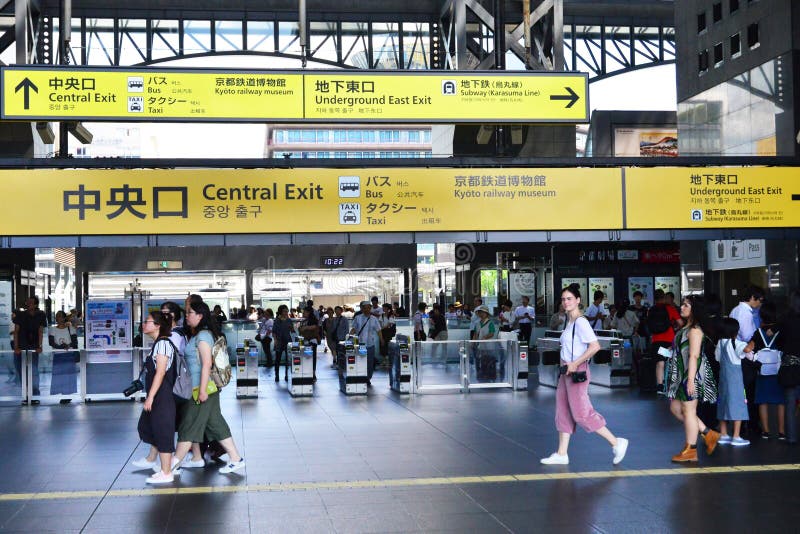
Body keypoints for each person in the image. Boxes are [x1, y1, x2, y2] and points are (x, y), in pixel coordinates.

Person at [540, 286, 629, 466]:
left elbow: (595, 346)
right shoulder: (569, 321)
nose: (566, 302)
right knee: (563, 411)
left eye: (570, 299)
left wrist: (575, 363)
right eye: (564, 299)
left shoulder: (581, 322)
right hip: (567, 372)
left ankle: (616, 442)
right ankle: (562, 453)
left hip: (576, 372)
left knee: (581, 414)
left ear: (578, 300)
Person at [173, 300, 245, 475]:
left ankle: (169, 468)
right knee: (215, 423)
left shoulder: (203, 335)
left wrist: (202, 390)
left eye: (190, 313)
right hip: (204, 389)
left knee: (188, 426)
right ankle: (235, 459)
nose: (186, 316)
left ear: (200, 316)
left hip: (201, 389)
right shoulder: (198, 334)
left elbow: (206, 364)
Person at [666, 295, 720, 462]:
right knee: (676, 409)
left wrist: (690, 380)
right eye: (682, 304)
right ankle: (708, 433)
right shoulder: (687, 328)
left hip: (690, 375)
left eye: (686, 305)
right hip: (683, 374)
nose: (682, 307)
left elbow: (694, 355)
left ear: (695, 309)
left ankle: (691, 449)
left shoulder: (695, 330)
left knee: (689, 411)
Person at [134, 311, 177, 484]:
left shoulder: (163, 344)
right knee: (148, 428)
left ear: (158, 325)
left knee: (163, 431)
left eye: (148, 321)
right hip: (158, 394)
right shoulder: (158, 344)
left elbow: (160, 372)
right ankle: (160, 465)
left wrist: (150, 396)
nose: (144, 324)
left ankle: (166, 472)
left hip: (162, 395)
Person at [747, 301, 786, 440]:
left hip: (762, 372)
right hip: (777, 372)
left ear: (762, 316)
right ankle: (781, 431)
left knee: (762, 401)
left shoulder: (758, 333)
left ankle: (766, 431)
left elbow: (749, 349)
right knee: (780, 401)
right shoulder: (780, 332)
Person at [730, 285, 764, 435]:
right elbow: (748, 336)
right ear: (752, 298)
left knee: (742, 392)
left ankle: (743, 425)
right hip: (745, 357)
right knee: (749, 393)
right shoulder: (746, 313)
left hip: (736, 357)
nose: (760, 304)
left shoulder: (735, 310)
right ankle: (748, 425)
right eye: (759, 300)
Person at [715, 317, 750, 446]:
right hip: (735, 381)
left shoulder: (720, 343)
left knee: (723, 404)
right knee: (738, 405)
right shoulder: (737, 343)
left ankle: (724, 434)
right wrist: (751, 343)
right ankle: (736, 436)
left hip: (723, 380)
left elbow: (717, 358)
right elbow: (746, 350)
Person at [13, 296, 47, 404]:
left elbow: (40, 331)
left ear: (36, 304)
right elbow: (16, 331)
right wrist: (16, 347)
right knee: (21, 370)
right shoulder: (20, 314)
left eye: (32, 302)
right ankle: (25, 395)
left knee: (34, 371)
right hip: (21, 347)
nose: (29, 303)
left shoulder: (41, 315)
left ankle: (35, 395)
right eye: (28, 302)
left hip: (33, 348)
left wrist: (40, 346)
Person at [777, 289, 800, 444]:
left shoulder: (786, 320)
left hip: (790, 365)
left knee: (790, 403)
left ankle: (791, 437)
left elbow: (780, 342)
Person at [649, 289, 682, 394]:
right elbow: (680, 323)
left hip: (656, 340)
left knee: (660, 362)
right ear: (663, 297)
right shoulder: (670, 309)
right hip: (669, 340)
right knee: (669, 361)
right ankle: (671, 384)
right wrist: (675, 328)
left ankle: (660, 385)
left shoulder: (651, 310)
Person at [48, 310, 78, 403]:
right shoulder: (52, 329)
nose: (58, 318)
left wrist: (68, 345)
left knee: (68, 375)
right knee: (59, 375)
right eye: (57, 316)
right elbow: (51, 342)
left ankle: (67, 395)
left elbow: (74, 341)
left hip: (69, 355)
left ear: (64, 318)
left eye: (60, 316)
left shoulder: (70, 329)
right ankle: (62, 393)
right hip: (58, 355)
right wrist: (60, 346)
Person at [350, 300, 382, 387]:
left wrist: (381, 340)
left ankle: (368, 378)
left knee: (370, 363)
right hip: (360, 344)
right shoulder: (358, 318)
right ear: (361, 309)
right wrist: (349, 337)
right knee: (360, 361)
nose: (367, 309)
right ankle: (361, 377)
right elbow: (353, 329)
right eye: (365, 308)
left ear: (370, 308)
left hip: (370, 344)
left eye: (368, 308)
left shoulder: (374, 319)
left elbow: (378, 330)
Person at [272, 304, 295, 382]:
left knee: (288, 360)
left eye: (287, 311)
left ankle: (287, 375)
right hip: (279, 341)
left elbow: (292, 331)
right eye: (284, 311)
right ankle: (277, 375)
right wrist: (275, 340)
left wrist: (292, 328)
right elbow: (274, 332)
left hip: (288, 341)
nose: (286, 312)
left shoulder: (289, 320)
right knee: (277, 360)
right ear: (280, 312)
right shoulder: (277, 320)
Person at [300, 307, 321, 382]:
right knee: (307, 358)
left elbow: (315, 327)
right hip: (305, 341)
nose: (303, 313)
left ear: (309, 312)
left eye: (305, 312)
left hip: (312, 341)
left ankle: (313, 374)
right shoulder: (303, 321)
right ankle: (308, 373)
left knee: (312, 358)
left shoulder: (313, 320)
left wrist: (306, 328)